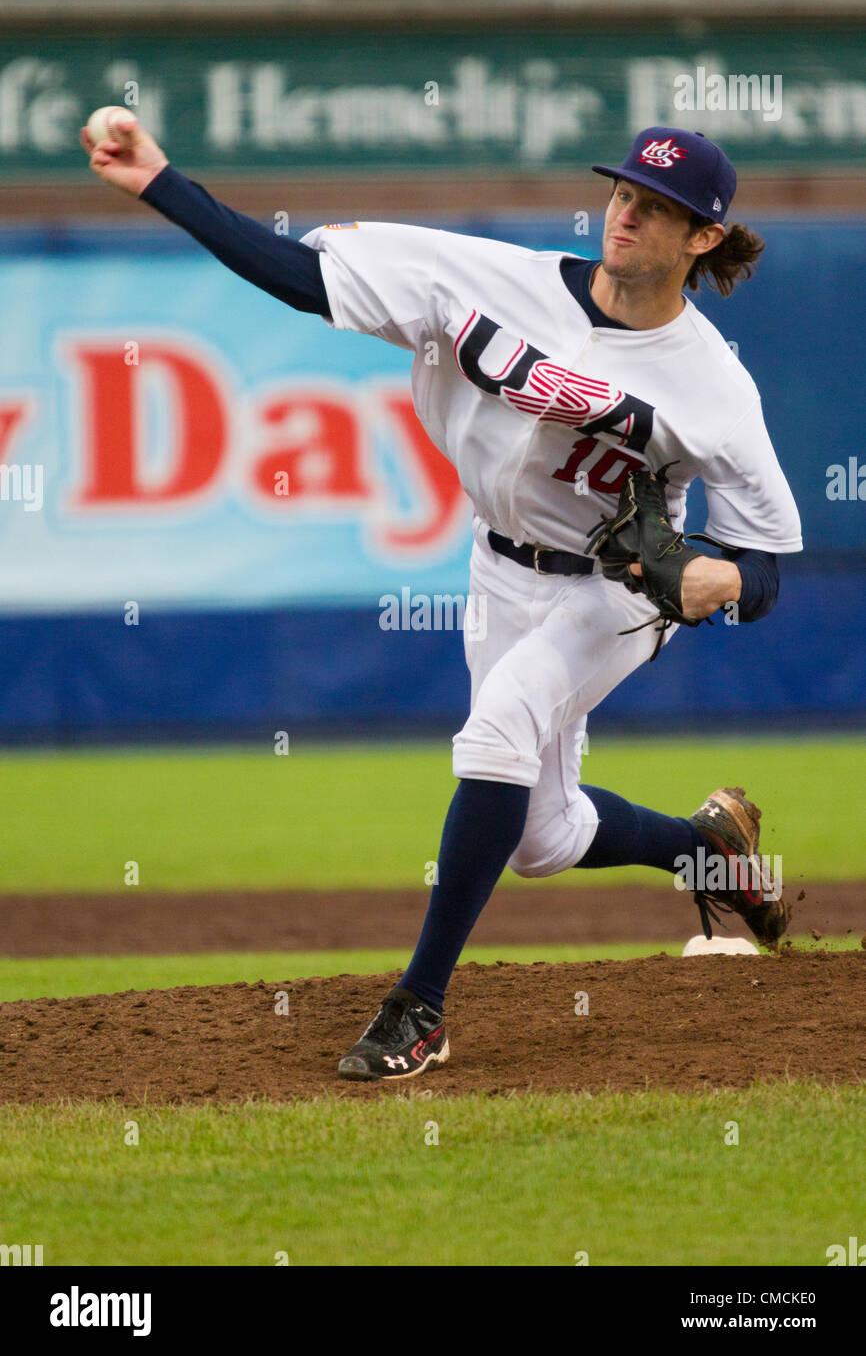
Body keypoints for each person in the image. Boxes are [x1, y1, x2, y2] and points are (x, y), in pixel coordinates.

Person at [83, 121, 802, 1082]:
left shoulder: (714, 385)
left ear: (703, 239)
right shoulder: (487, 279)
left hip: (615, 589)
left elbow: (766, 569)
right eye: (625, 191)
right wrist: (161, 182)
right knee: (541, 839)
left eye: (657, 207)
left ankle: (419, 1006)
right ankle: (706, 848)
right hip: (497, 569)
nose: (626, 213)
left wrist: (724, 581)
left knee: (497, 733)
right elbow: (303, 277)